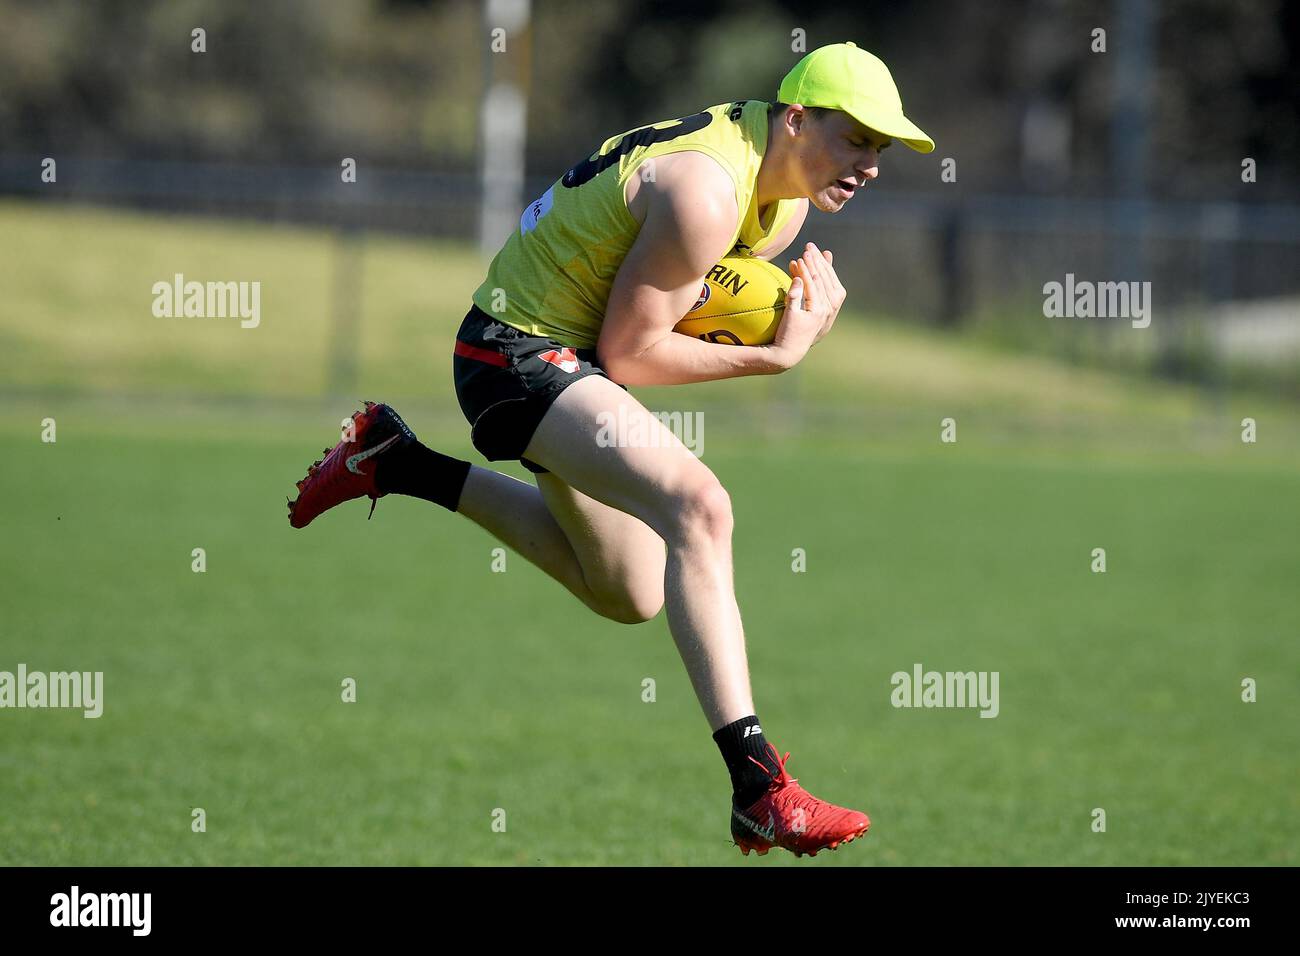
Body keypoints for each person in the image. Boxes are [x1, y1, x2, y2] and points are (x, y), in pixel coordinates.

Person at [287, 41, 932, 858]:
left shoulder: (786, 201)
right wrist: (775, 353)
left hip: (572, 354)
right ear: (797, 120)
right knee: (701, 507)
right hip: (512, 353)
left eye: (882, 149)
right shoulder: (708, 189)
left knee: (628, 591)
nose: (871, 164)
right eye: (858, 140)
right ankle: (760, 786)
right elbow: (633, 355)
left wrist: (748, 309)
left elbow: (673, 303)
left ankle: (396, 459)